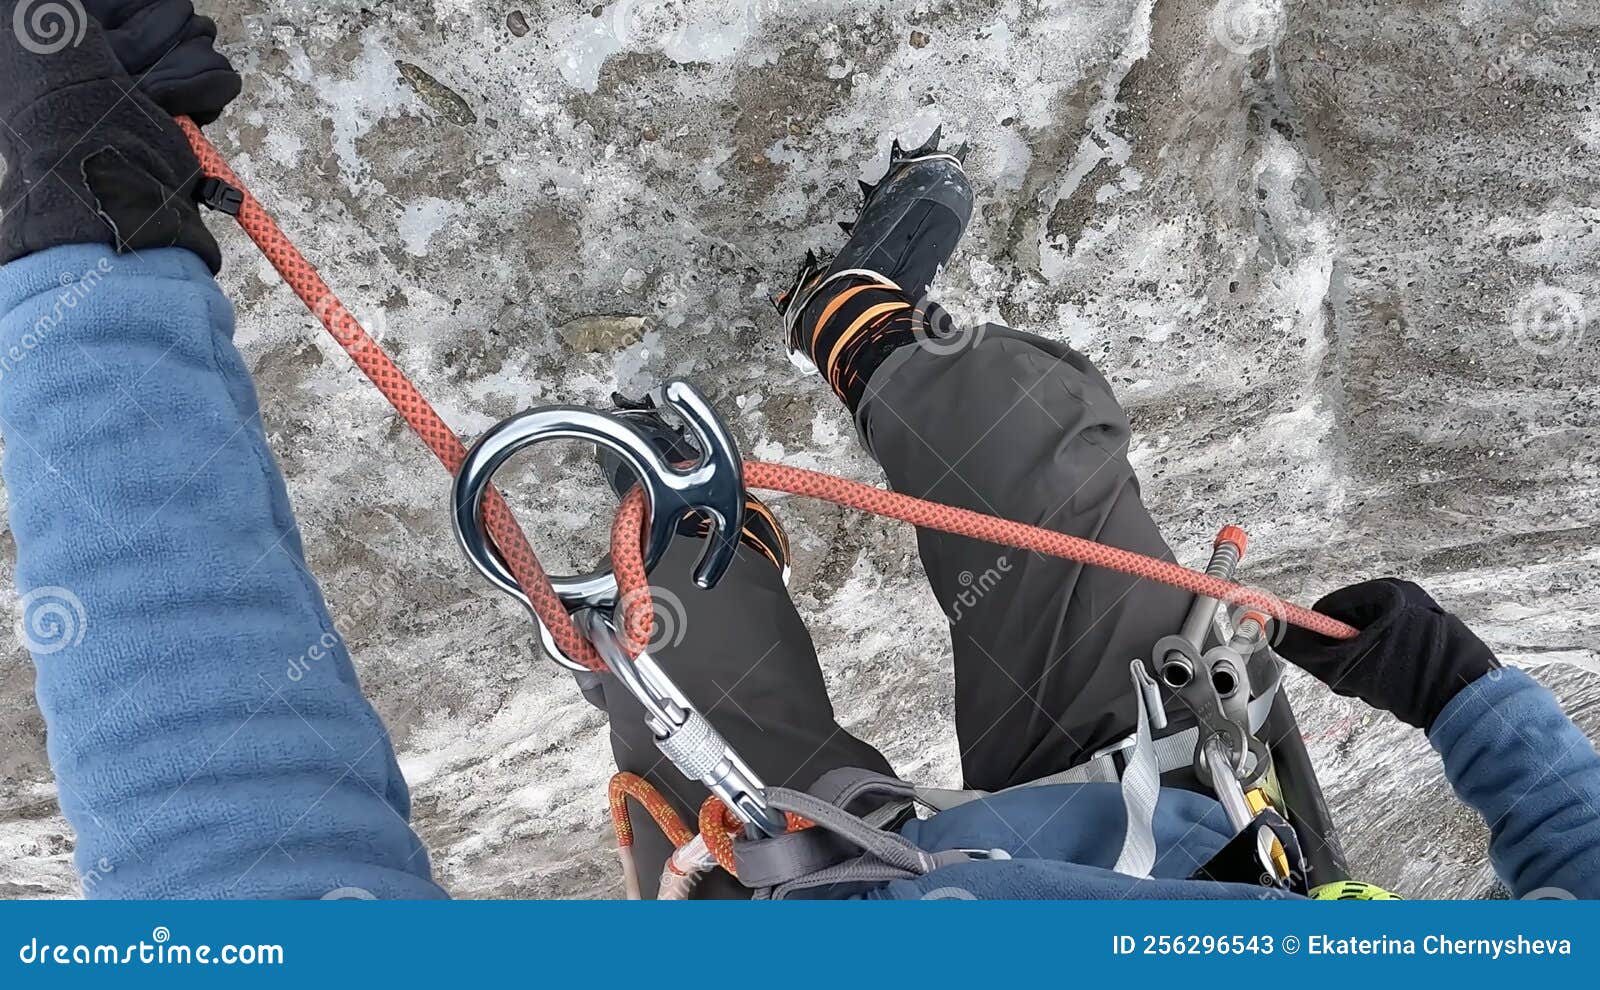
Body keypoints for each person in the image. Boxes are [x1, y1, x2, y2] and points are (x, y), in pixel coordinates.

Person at [2, 3, 1597, 901]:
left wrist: (83, 244)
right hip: (1197, 859)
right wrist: (1470, 698)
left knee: (691, 651)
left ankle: (692, 529)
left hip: (797, 906)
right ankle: (863, 325)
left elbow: (246, 885)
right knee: (1045, 471)